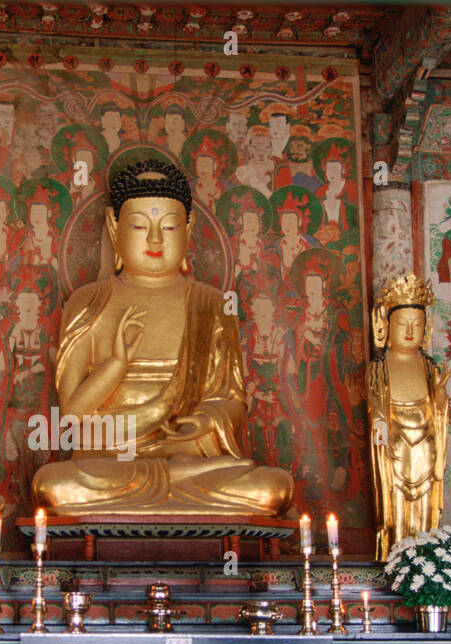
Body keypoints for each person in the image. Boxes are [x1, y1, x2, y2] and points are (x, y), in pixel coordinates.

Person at [31, 158, 293, 517]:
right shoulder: (89, 302)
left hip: (189, 460)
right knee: (53, 486)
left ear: (189, 227)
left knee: (274, 488)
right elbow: (72, 419)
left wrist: (207, 421)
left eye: (168, 227)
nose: (154, 240)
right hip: (110, 465)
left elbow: (231, 400)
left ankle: (174, 479)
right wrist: (116, 365)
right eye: (139, 226)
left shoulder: (212, 304)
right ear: (113, 226)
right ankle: (169, 483)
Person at [367, 275, 449, 560]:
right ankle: (396, 558)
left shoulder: (429, 366)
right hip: (394, 447)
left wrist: (440, 395)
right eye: (402, 324)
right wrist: (382, 430)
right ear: (387, 328)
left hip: (426, 445)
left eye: (418, 324)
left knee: (425, 509)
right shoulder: (379, 366)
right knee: (397, 507)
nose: (410, 331)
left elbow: (439, 410)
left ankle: (426, 560)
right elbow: (375, 405)